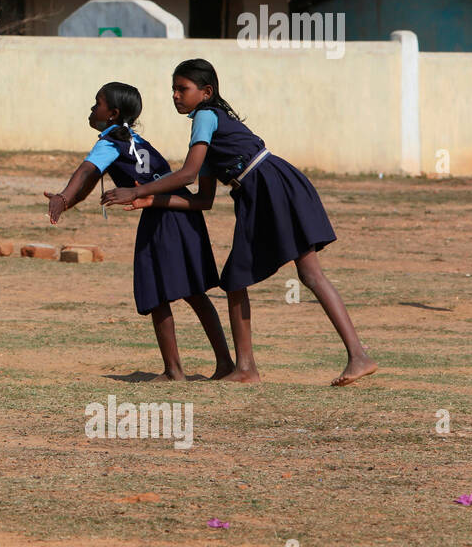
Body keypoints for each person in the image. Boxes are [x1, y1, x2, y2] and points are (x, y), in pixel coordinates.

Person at [101, 59, 377, 387]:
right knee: (298, 275)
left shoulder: (204, 116)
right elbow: (202, 200)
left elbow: (187, 173)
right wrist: (149, 200)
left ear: (206, 92)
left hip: (268, 187)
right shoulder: (209, 128)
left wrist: (141, 188)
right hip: (268, 186)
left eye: (182, 89)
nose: (175, 95)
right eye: (173, 89)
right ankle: (352, 356)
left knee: (272, 277)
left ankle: (251, 369)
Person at [45, 82, 233, 382]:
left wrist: (62, 196)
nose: (92, 109)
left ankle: (174, 372)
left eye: (97, 103)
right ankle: (224, 364)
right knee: (194, 293)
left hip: (161, 215)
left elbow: (83, 172)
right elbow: (89, 183)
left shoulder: (110, 142)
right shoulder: (133, 138)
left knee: (156, 292)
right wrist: (66, 201)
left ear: (113, 113)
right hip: (182, 211)